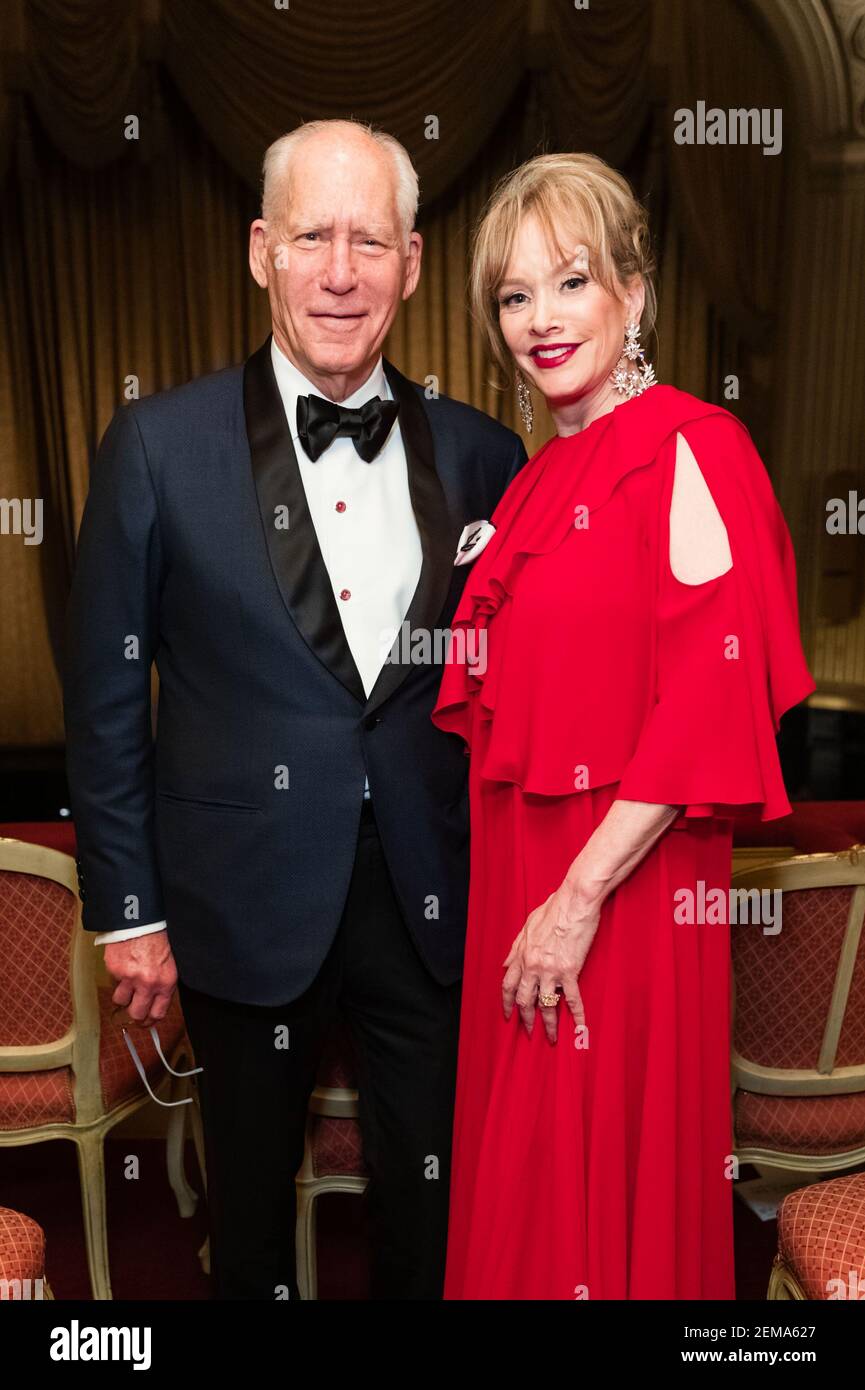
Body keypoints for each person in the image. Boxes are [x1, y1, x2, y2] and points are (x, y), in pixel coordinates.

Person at [63, 118, 527, 1300]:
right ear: (259, 250)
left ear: (410, 265)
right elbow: (106, 699)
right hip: (238, 896)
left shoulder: (484, 455)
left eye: (368, 241)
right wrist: (128, 913)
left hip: (432, 897)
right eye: (312, 237)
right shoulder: (156, 447)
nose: (338, 272)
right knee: (251, 1229)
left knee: (435, 1212)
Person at [431, 151, 816, 1300]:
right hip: (526, 891)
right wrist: (540, 904)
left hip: (618, 899)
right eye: (513, 295)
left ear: (633, 293)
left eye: (570, 282)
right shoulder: (530, 483)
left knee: (597, 1193)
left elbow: (709, 700)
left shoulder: (693, 445)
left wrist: (577, 899)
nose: (539, 320)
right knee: (527, 1190)